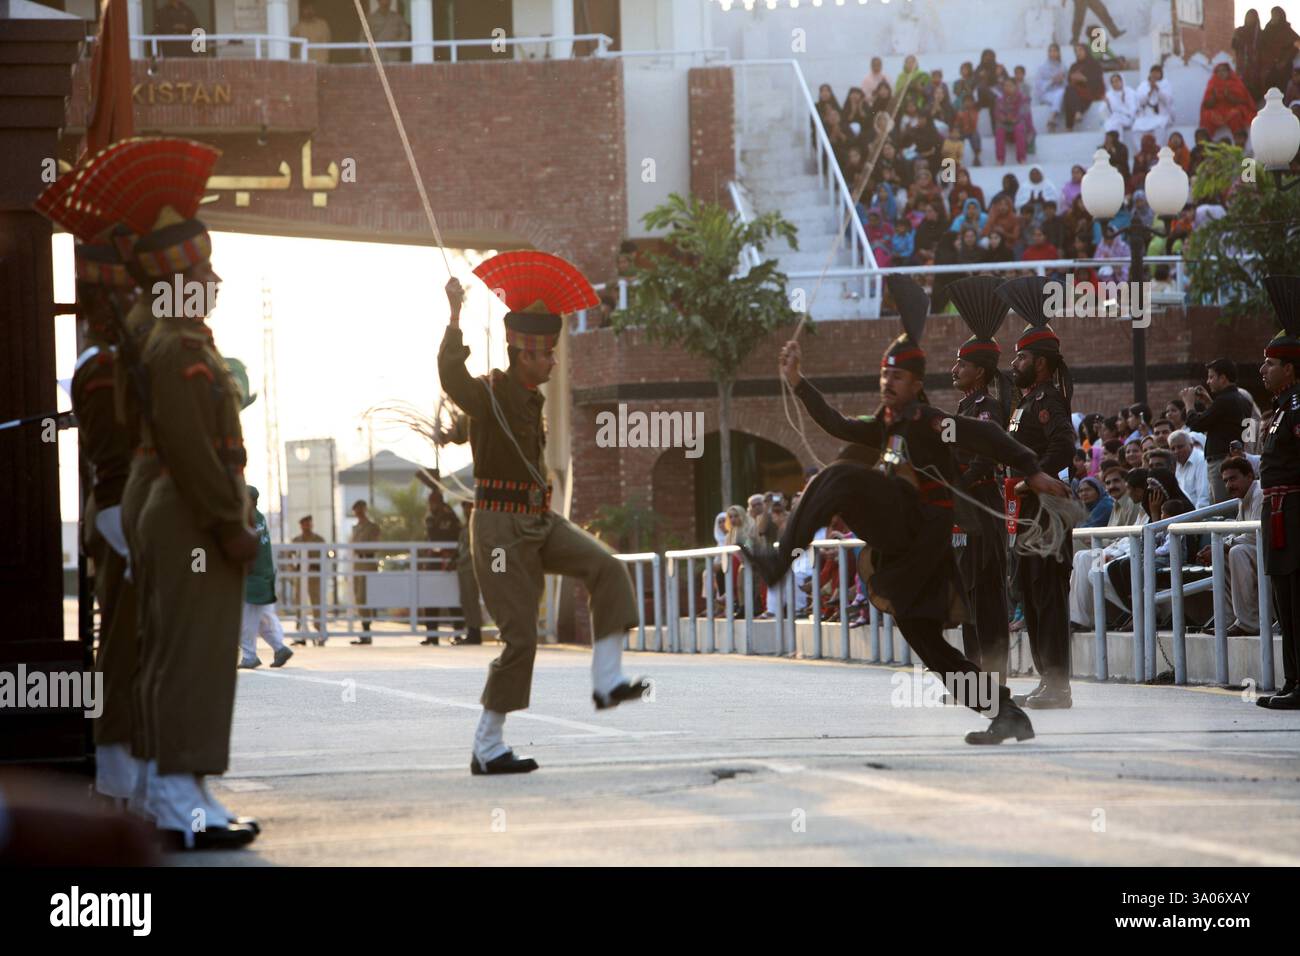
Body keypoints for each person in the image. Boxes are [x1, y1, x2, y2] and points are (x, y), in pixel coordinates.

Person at [744, 275, 1067, 745]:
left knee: (839, 476)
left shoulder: (930, 423)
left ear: (915, 383)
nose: (886, 383)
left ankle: (779, 559)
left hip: (924, 533)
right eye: (883, 375)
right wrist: (797, 382)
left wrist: (1032, 470)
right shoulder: (884, 423)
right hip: (905, 549)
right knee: (932, 649)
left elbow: (988, 437)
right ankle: (1006, 714)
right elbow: (836, 422)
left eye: (895, 376)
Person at [438, 258, 647, 775]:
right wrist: (454, 315)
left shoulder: (530, 399)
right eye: (547, 354)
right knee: (520, 638)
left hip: (538, 520)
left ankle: (606, 681)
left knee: (607, 567)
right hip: (500, 530)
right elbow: (452, 378)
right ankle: (487, 747)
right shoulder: (488, 391)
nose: (553, 363)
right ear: (524, 353)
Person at [126, 176, 260, 849]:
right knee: (194, 659)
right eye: (202, 268)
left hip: (178, 512)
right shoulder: (178, 348)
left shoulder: (180, 339)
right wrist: (229, 524)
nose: (213, 278)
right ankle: (182, 802)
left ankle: (173, 790)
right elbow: (192, 451)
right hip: (190, 516)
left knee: (175, 653)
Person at [36, 183, 141, 804]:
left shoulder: (114, 360)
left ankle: (128, 779)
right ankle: (120, 780)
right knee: (129, 650)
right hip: (122, 507)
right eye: (126, 291)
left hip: (121, 507)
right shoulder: (105, 365)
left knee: (135, 647)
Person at [1000, 276, 1078, 708]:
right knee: (1030, 596)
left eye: (1023, 355)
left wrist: (1035, 476)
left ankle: (1059, 686)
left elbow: (1064, 445)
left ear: (1043, 363)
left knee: (1048, 597)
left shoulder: (1048, 399)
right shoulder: (1025, 400)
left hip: (1045, 511)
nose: (1016, 362)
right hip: (1027, 511)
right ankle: (1048, 679)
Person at [948, 276, 1014, 684]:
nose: (955, 370)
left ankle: (994, 678)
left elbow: (982, 459)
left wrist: (955, 484)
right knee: (967, 596)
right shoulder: (964, 406)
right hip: (963, 510)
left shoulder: (986, 408)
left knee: (986, 597)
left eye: (963, 365)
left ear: (980, 372)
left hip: (981, 507)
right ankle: (973, 676)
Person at [1256, 276, 1300, 709]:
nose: (1263, 370)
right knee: (1285, 602)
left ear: (1290, 367)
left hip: (1296, 510)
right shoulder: (1281, 409)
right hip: (1278, 510)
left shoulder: (1298, 404)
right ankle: (1292, 681)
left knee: (1298, 600)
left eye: (1270, 364)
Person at [1196, 458, 1263, 636]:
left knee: (1236, 552)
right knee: (1224, 554)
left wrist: (1222, 547)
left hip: (1273, 553)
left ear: (1250, 476)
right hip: (1256, 552)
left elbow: (1254, 534)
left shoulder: (1260, 493)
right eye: (1225, 480)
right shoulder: (1243, 498)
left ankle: (1249, 623)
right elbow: (1237, 532)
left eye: (1233, 479)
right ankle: (1227, 620)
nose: (1228, 485)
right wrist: (1216, 547)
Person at [1182, 359, 1254, 503]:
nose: (1208, 382)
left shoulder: (1224, 400)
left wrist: (1189, 404)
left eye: (1211, 377)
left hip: (1221, 462)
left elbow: (1196, 424)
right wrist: (1209, 403)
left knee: (1223, 509)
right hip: (1236, 459)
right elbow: (1223, 423)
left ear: (1223, 378)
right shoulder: (1242, 400)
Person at [238, 487, 294, 670]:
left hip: (253, 579)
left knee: (245, 619)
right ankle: (280, 648)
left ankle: (249, 656)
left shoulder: (248, 518)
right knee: (262, 618)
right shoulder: (259, 517)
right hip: (263, 576)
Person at [420, 486, 462, 645]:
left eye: (434, 502)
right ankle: (432, 635)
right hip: (432, 562)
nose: (431, 505)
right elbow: (429, 539)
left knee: (451, 599)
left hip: (447, 561)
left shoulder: (449, 516)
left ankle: (458, 633)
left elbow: (452, 535)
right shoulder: (431, 517)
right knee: (430, 599)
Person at [289, 514, 326, 645]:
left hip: (314, 574)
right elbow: (289, 556)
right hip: (300, 575)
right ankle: (301, 633)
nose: (307, 526)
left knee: (317, 603)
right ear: (301, 525)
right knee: (299, 603)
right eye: (304, 523)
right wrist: (292, 570)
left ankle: (320, 631)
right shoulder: (296, 540)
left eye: (309, 523)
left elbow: (326, 555)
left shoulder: (319, 540)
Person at [450, 501, 483, 645]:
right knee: (465, 601)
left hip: (471, 567)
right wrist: (455, 559)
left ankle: (475, 633)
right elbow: (461, 547)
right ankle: (471, 631)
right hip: (462, 568)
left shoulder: (476, 525)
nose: (466, 510)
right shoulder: (465, 526)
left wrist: (460, 560)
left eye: (469, 507)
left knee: (472, 600)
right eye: (464, 507)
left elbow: (473, 549)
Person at [349, 499, 381, 644]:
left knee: (366, 596)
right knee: (359, 597)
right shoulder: (355, 528)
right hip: (358, 563)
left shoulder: (372, 527)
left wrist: (361, 548)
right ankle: (365, 630)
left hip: (368, 562)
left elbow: (374, 546)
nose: (358, 512)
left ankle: (367, 631)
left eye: (360, 509)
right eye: (356, 510)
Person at [1200, 61, 1258, 138]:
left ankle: (1239, 139)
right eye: (1218, 71)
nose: (1221, 73)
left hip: (1232, 109)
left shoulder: (1236, 83)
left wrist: (1229, 96)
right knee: (1207, 115)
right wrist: (1214, 98)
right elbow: (1206, 104)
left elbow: (1243, 101)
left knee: (1236, 115)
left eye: (1223, 70)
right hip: (1217, 110)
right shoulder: (1212, 84)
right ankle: (1206, 141)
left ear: (1229, 72)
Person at [1063, 43, 1104, 131]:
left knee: (1070, 94)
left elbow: (1098, 82)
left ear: (1086, 51)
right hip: (1076, 93)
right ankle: (1077, 113)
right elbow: (1069, 79)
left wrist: (1084, 79)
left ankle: (1069, 126)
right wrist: (1073, 79)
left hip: (1091, 91)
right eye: (1076, 51)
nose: (1078, 53)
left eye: (1080, 50)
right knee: (1069, 91)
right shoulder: (1074, 66)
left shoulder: (1094, 64)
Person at [1261, 6, 1300, 96]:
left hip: (1284, 66)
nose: (1274, 17)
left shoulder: (1287, 30)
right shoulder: (1268, 29)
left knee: (1283, 88)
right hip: (1270, 66)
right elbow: (1262, 44)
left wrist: (1284, 60)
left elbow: (1296, 44)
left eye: (1276, 15)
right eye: (1273, 15)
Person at [1133, 65, 1175, 143]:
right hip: (1146, 116)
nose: (1155, 75)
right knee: (1136, 127)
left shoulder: (1166, 84)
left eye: (1157, 73)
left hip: (1162, 115)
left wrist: (1157, 89)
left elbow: (1168, 100)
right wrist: (1150, 91)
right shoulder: (1143, 85)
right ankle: (1141, 152)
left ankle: (1158, 151)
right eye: (1153, 73)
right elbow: (1139, 102)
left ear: (1161, 74)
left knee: (1159, 128)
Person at [993, 78, 1029, 164]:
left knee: (1019, 128)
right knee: (999, 130)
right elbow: (997, 113)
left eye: (1010, 86)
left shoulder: (1023, 98)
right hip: (1005, 123)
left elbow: (1024, 112)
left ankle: (1021, 159)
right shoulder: (1000, 99)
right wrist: (1005, 118)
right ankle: (1000, 160)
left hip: (1018, 123)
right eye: (1005, 86)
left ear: (1015, 87)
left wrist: (1014, 118)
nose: (1007, 88)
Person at [1235, 7, 1266, 101]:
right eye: (1248, 17)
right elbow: (1234, 46)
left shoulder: (1261, 34)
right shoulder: (1240, 31)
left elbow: (1263, 50)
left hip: (1256, 68)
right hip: (1242, 65)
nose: (1250, 19)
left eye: (1252, 17)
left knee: (1254, 93)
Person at [1035, 43, 1068, 130]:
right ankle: (1053, 117)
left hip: (1059, 93)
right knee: (1059, 95)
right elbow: (1039, 86)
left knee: (1061, 93)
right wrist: (1052, 81)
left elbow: (1067, 84)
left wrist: (1062, 80)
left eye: (1054, 51)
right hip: (1046, 94)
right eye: (1050, 51)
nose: (1052, 53)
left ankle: (1052, 118)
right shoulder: (1043, 67)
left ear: (1059, 53)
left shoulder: (1063, 67)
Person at [1102, 72, 1138, 140]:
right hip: (1114, 117)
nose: (1114, 84)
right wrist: (1108, 104)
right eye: (1112, 82)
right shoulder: (1109, 94)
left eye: (1116, 81)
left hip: (1127, 118)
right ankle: (1112, 145)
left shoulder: (1129, 92)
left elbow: (1133, 109)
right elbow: (1106, 111)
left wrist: (1124, 101)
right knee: (1109, 124)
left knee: (1116, 122)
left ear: (1121, 81)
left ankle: (1118, 144)